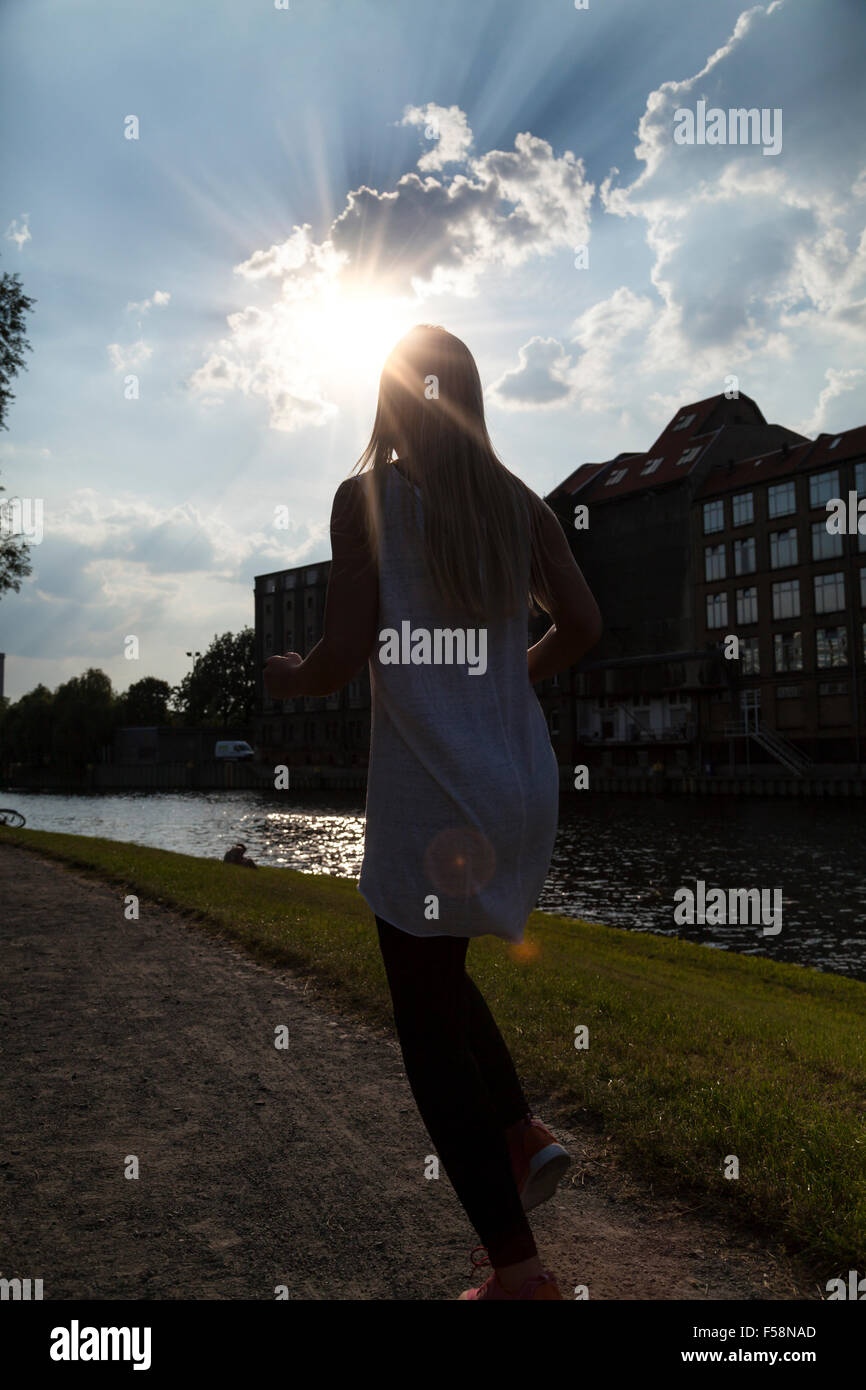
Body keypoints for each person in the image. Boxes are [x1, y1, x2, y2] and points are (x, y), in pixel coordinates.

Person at [264, 324, 602, 1300]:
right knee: (437, 960)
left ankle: (516, 1273)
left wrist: (292, 680)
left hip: (432, 791)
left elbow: (338, 654)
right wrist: (509, 675)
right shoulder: (516, 503)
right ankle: (524, 1136)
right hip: (518, 781)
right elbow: (580, 626)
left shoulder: (364, 500)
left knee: (421, 1016)